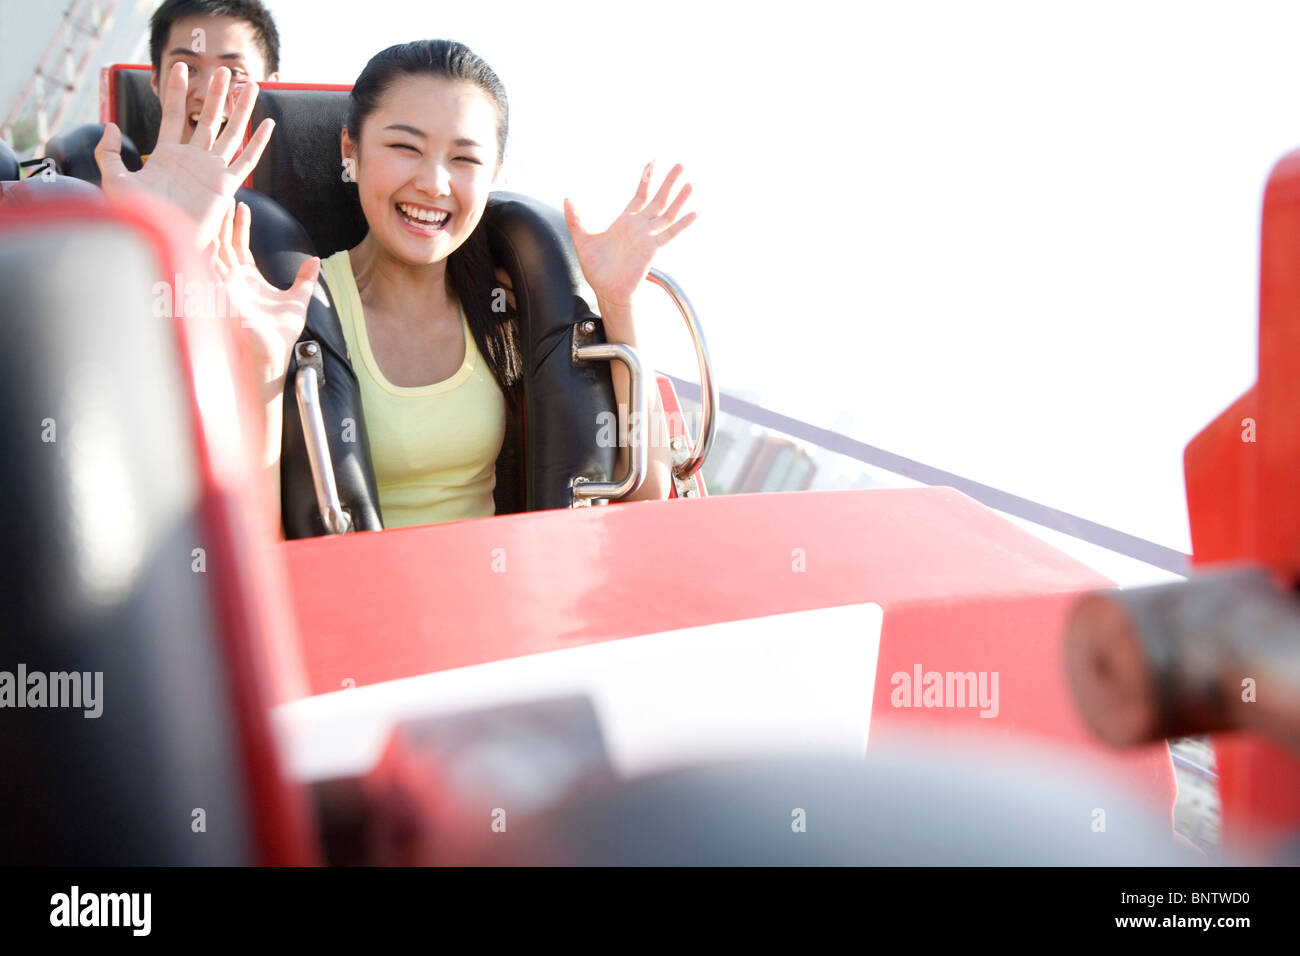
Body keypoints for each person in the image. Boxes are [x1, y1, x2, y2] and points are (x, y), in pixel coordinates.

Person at [96, 39, 695, 534]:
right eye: (405, 148)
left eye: (464, 159)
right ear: (350, 150)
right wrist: (156, 247)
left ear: (493, 177)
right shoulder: (278, 303)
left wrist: (618, 301)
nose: (434, 183)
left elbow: (643, 498)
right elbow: (247, 542)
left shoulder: (515, 318)